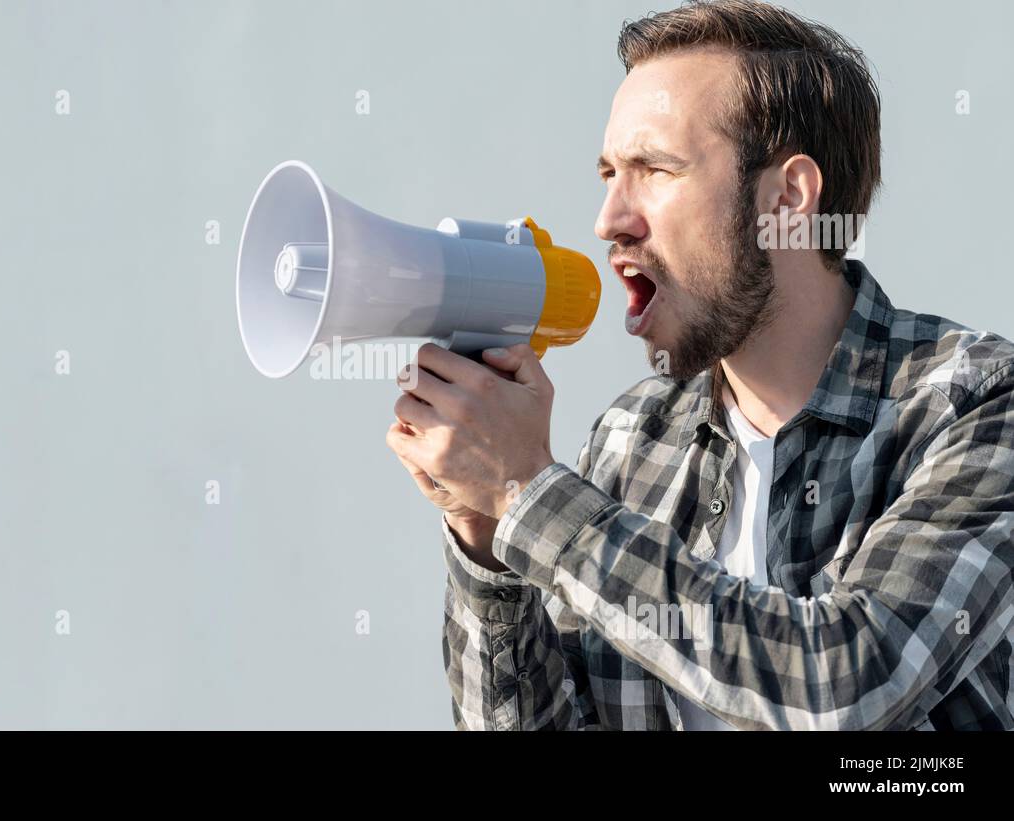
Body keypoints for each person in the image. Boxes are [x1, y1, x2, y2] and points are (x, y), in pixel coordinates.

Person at [386, 0, 1014, 730]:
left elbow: (847, 685)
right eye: (609, 173)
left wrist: (530, 491)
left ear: (787, 197)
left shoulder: (974, 403)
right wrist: (484, 529)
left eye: (654, 168)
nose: (609, 219)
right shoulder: (630, 439)